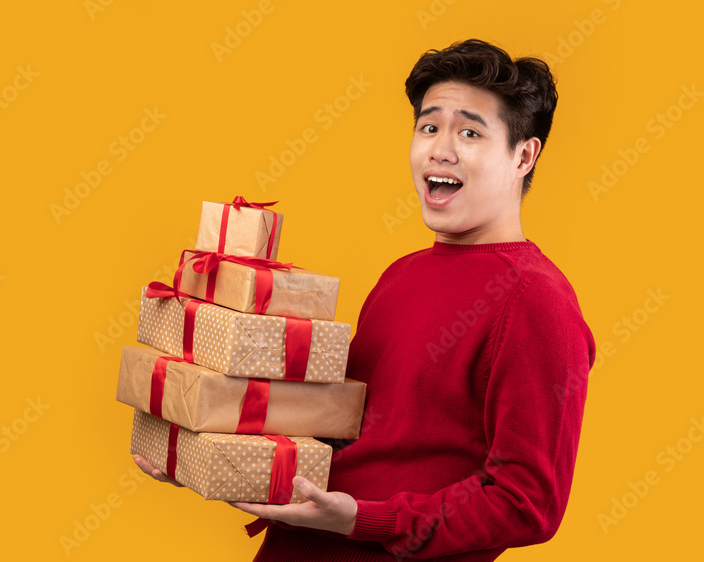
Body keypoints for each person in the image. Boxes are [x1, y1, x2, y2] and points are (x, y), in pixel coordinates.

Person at [134, 38, 595, 561]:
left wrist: (364, 520)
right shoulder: (401, 275)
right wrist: (204, 453)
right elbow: (342, 438)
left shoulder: (536, 299)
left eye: (470, 131)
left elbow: (526, 502)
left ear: (523, 155)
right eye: (429, 126)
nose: (440, 148)